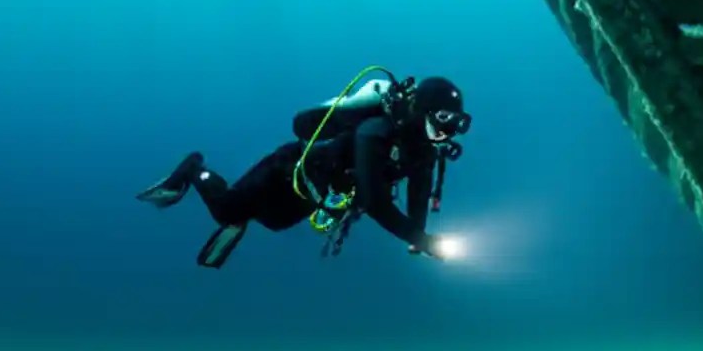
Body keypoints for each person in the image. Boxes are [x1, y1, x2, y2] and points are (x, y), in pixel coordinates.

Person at [136, 71, 471, 268]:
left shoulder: (425, 151)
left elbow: (419, 192)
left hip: (314, 194)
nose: (448, 130)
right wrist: (423, 240)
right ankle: (194, 169)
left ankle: (243, 215)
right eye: (443, 119)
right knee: (226, 211)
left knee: (275, 222)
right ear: (421, 110)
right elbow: (374, 201)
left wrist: (417, 236)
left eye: (457, 123)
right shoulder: (375, 133)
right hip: (286, 169)